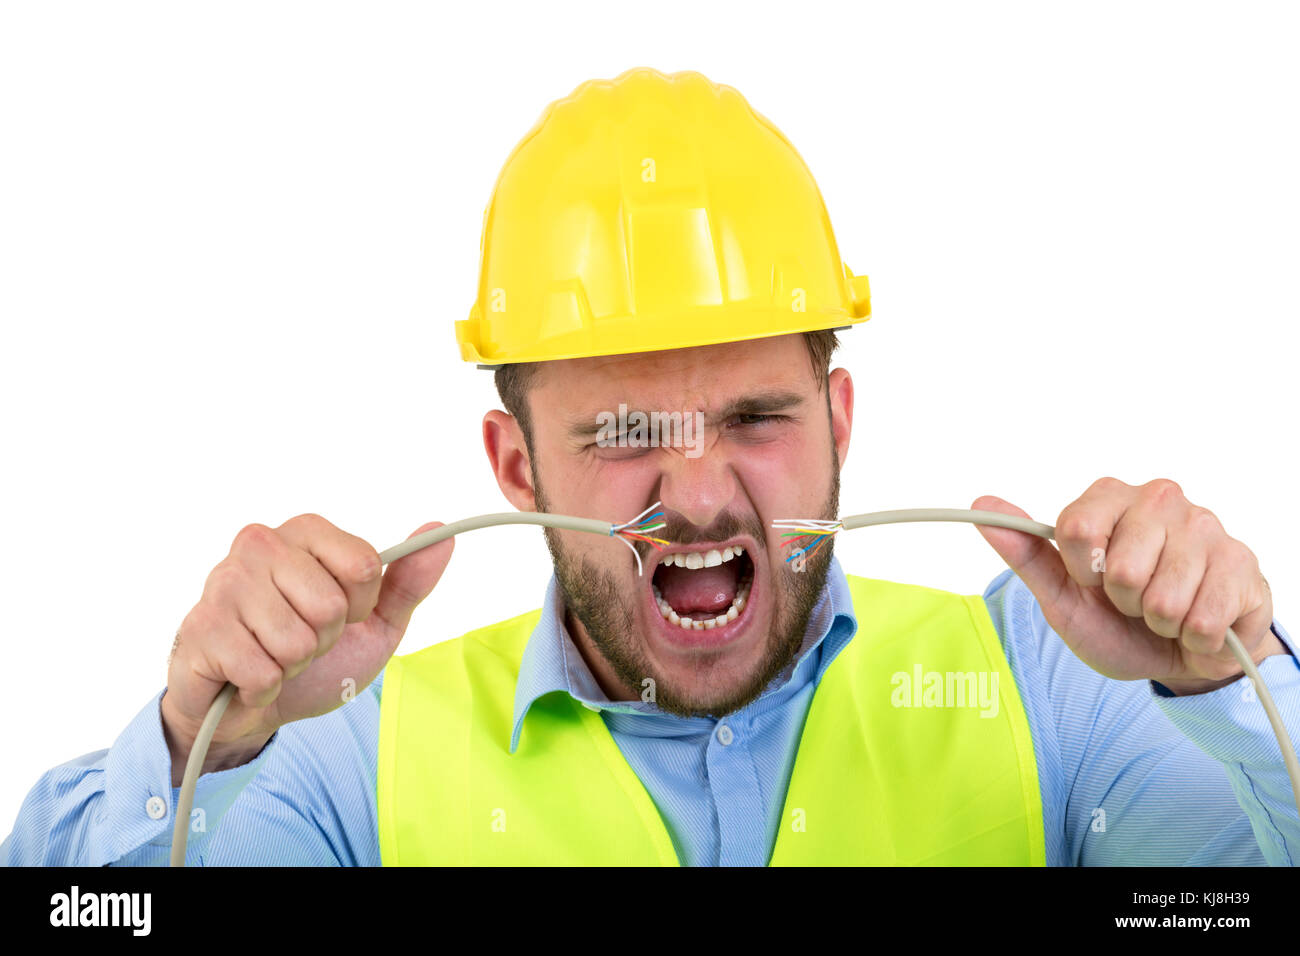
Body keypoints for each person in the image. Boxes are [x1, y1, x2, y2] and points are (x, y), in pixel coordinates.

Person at [4, 67, 1297, 866]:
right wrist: (197, 742)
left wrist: (1231, 683)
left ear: (840, 419)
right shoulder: (347, 757)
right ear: (514, 460)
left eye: (752, 417)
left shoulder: (1056, 696)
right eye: (623, 431)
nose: (692, 489)